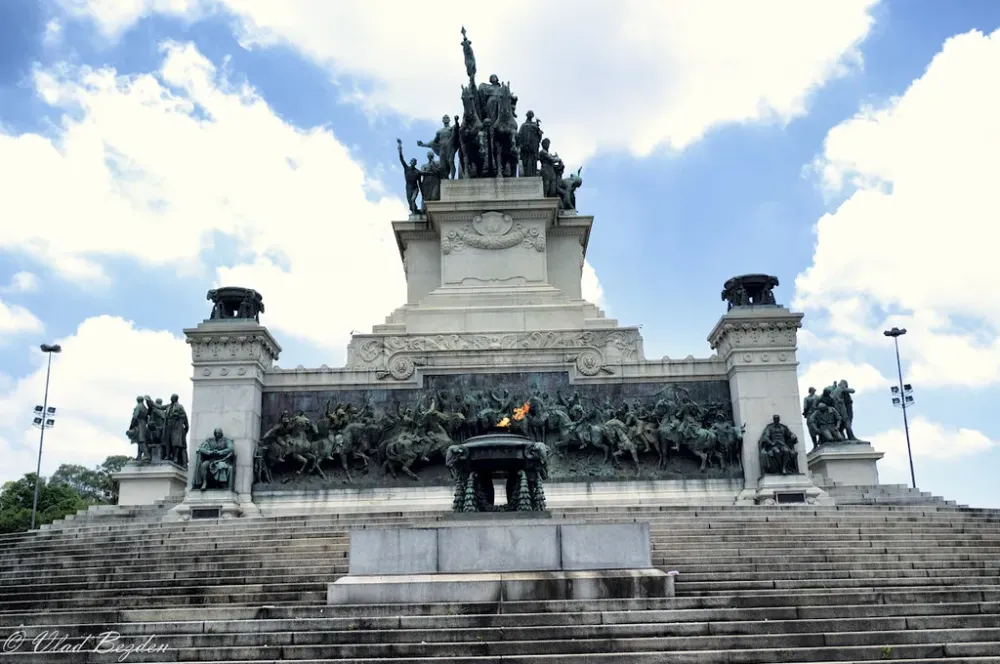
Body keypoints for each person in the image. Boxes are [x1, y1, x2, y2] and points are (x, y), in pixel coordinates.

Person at [397, 138, 422, 215]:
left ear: (416, 163)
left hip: (415, 188)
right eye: (412, 161)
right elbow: (401, 159)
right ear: (410, 162)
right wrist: (400, 148)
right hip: (408, 188)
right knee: (410, 203)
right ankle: (415, 211)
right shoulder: (406, 168)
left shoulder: (417, 172)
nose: (413, 162)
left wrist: (422, 191)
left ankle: (414, 214)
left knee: (412, 200)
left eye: (414, 162)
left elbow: (420, 182)